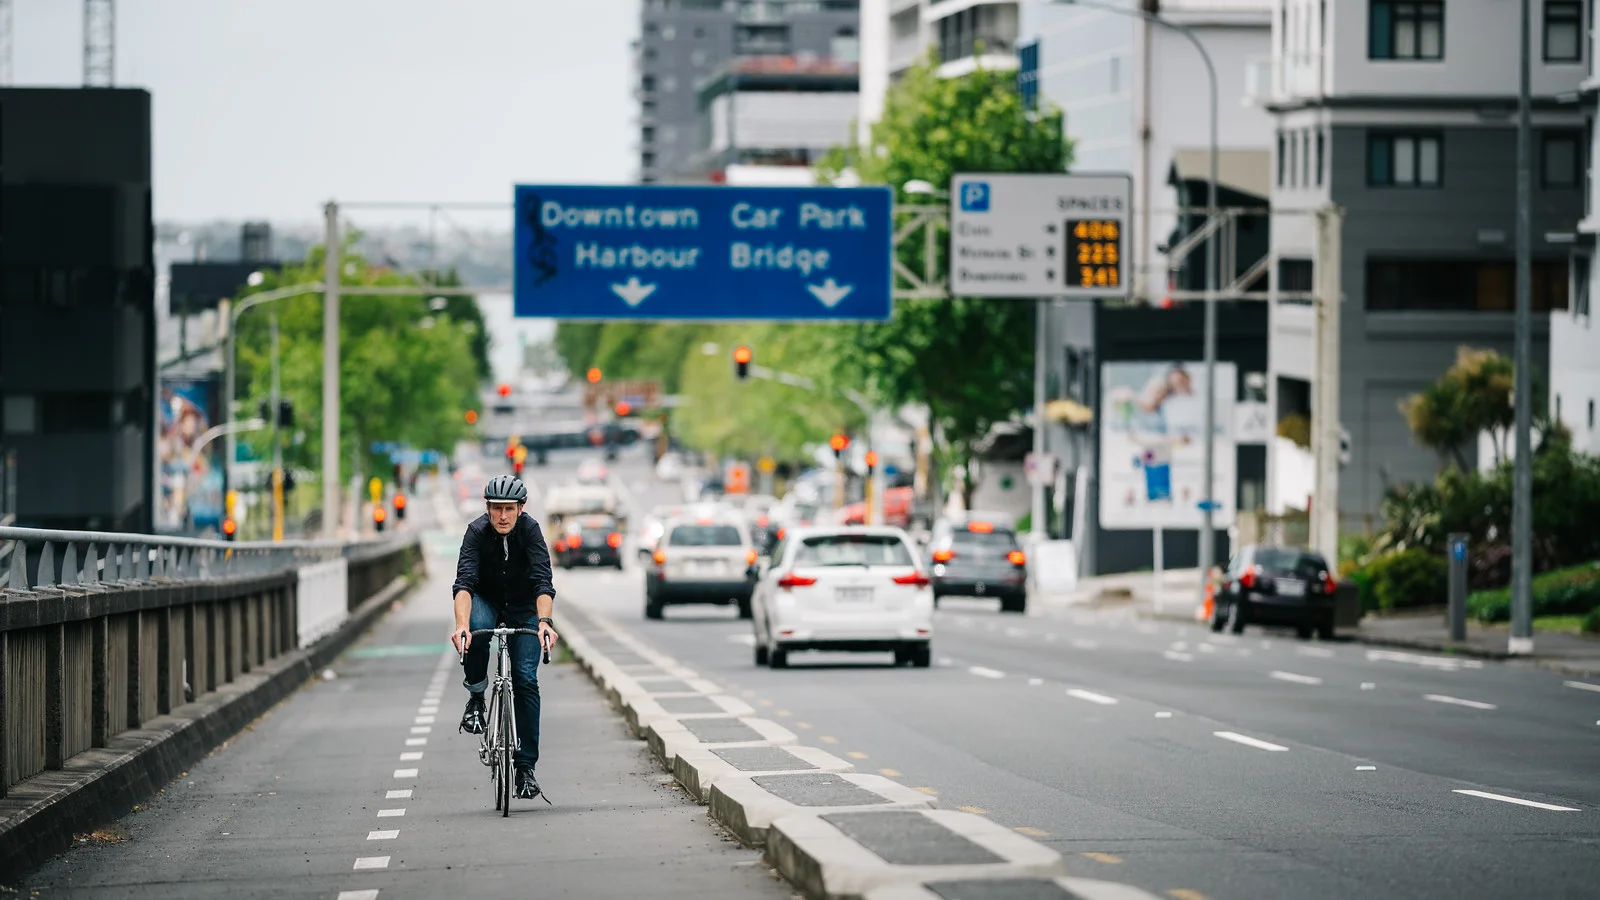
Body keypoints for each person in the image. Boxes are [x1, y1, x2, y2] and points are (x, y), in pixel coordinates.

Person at [449, 474, 560, 800]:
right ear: (487, 508)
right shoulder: (476, 532)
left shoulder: (531, 532)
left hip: (525, 607)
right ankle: (476, 698)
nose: (502, 516)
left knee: (526, 679)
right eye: (496, 509)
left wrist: (544, 622)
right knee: (478, 631)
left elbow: (543, 581)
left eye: (509, 509)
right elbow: (464, 584)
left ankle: (525, 768)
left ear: (521, 508)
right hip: (487, 601)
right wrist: (461, 626)